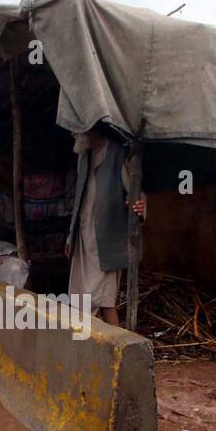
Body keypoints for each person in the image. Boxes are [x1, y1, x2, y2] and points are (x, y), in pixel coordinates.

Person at [65, 126, 145, 327]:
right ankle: (106, 347)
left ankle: (105, 347)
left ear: (92, 128)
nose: (73, 134)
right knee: (83, 296)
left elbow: (135, 192)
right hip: (84, 238)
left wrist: (138, 205)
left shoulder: (118, 153)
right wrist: (70, 236)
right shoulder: (84, 156)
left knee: (100, 298)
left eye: (77, 129)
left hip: (107, 241)